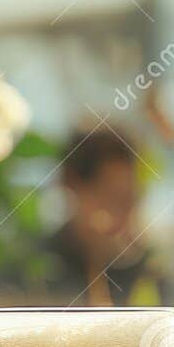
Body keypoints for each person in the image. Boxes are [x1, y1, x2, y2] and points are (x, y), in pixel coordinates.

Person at [47, 126, 154, 307]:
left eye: (130, 198)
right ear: (72, 186)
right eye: (112, 198)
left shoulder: (149, 272)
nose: (124, 214)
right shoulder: (41, 269)